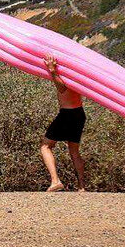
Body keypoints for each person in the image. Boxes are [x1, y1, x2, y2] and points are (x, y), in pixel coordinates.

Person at [40, 54, 86, 192]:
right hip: (79, 113)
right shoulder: (77, 74)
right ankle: (82, 187)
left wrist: (53, 72)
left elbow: (62, 88)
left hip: (67, 114)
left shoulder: (67, 76)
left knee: (45, 146)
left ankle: (55, 181)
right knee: (74, 151)